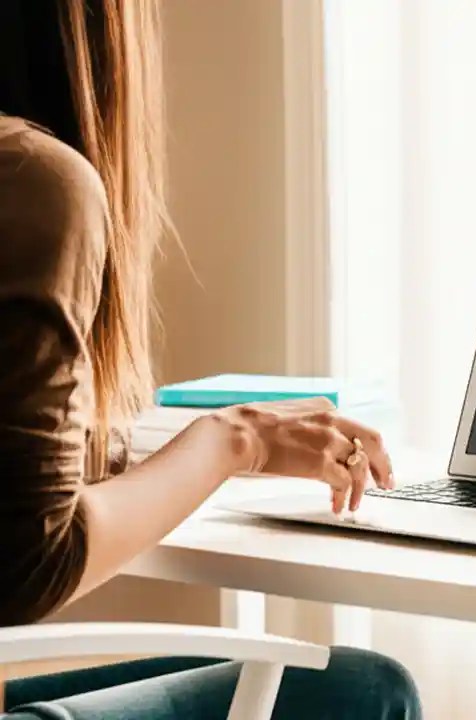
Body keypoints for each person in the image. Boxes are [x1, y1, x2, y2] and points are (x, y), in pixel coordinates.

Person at [0, 1, 422, 717]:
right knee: (366, 691)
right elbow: (28, 565)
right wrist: (235, 439)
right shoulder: (30, 178)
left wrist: (146, 453)